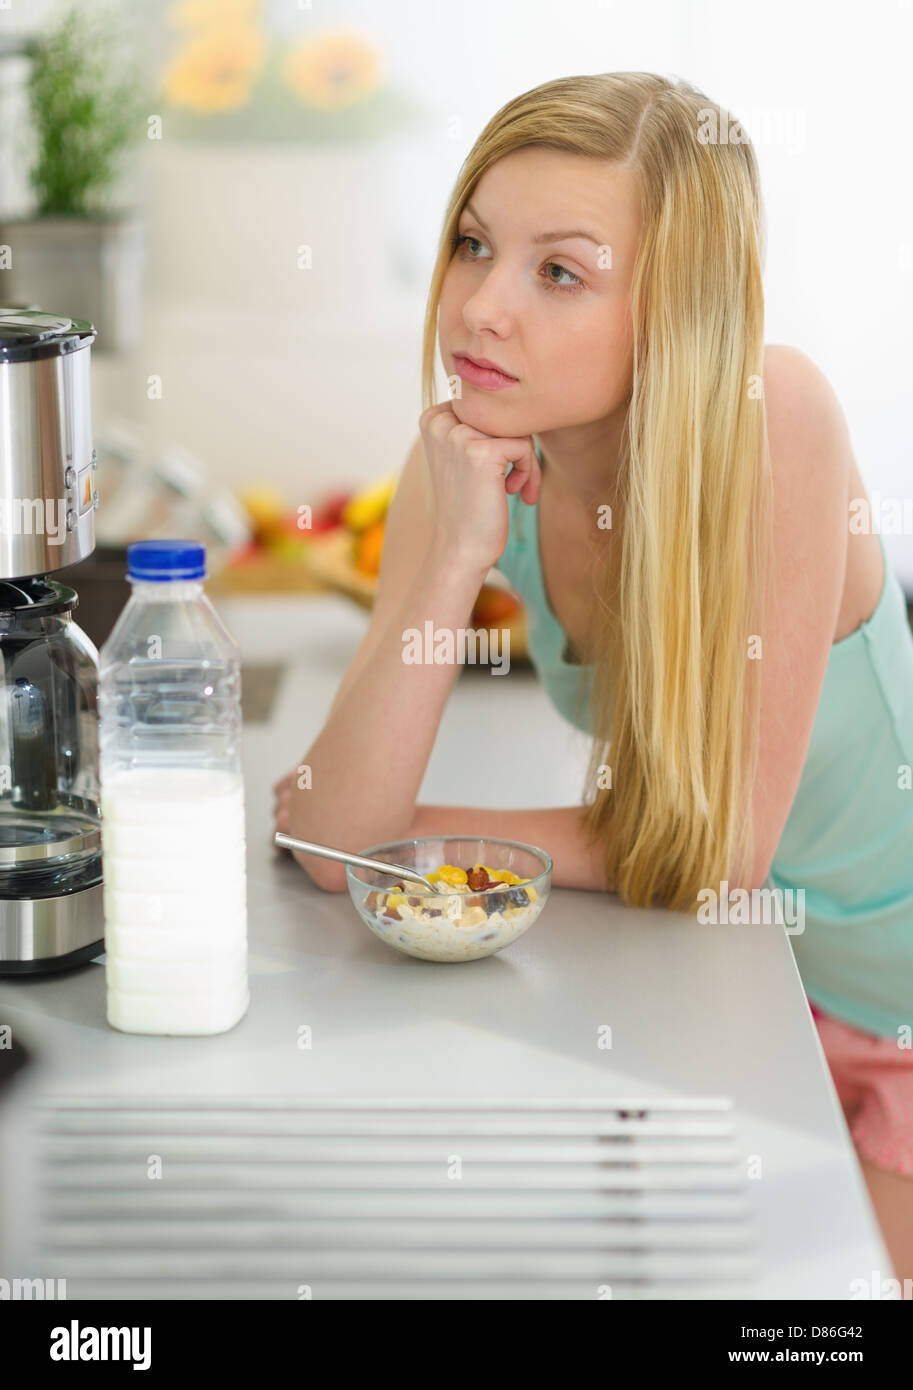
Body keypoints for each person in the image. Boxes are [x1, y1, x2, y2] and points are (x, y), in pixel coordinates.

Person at [272, 72, 913, 1286]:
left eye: (557, 272)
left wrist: (423, 833)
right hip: (729, 993)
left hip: (895, 1004)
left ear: (675, 312)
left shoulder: (773, 419)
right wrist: (455, 553)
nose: (480, 306)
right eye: (473, 244)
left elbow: (713, 849)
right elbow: (332, 841)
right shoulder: (464, 468)